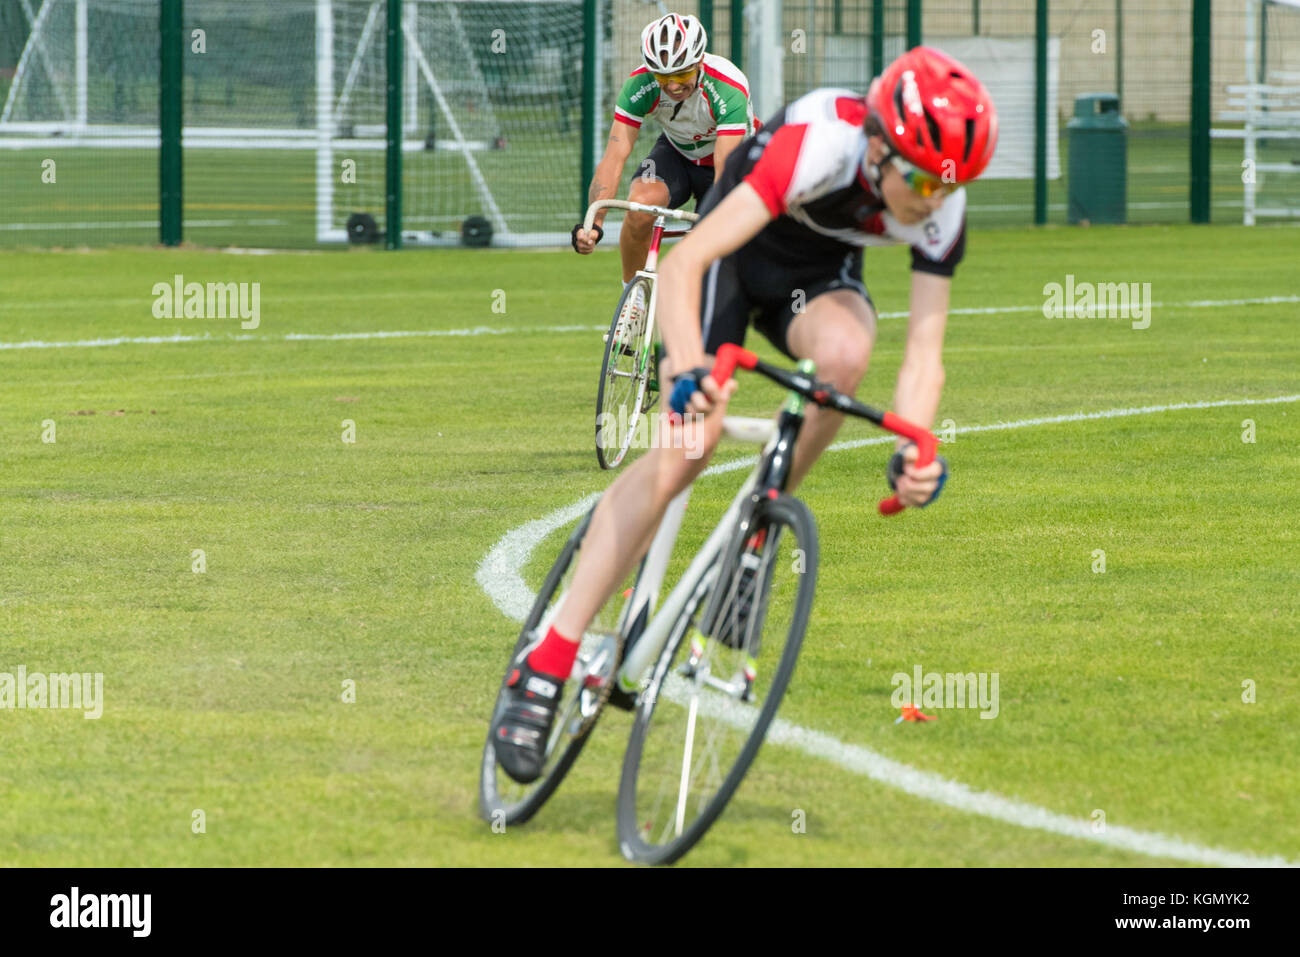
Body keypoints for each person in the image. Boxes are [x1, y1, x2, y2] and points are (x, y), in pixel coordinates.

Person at [495, 47, 998, 783]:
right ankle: (548, 660)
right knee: (685, 450)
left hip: (818, 278)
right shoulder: (817, 147)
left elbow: (925, 350)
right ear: (881, 144)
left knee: (850, 351)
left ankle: (759, 521)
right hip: (728, 256)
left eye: (946, 186)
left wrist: (917, 444)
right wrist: (690, 366)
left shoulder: (940, 199)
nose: (930, 201)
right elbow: (686, 263)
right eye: (918, 180)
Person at [571, 13, 755, 293]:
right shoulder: (639, 84)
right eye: (663, 76)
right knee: (639, 207)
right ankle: (634, 300)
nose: (672, 86)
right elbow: (614, 157)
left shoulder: (728, 87)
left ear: (699, 63)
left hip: (727, 161)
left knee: (713, 246)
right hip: (677, 150)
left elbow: (725, 170)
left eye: (681, 74)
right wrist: (594, 224)